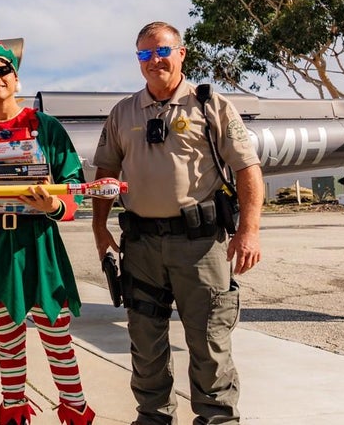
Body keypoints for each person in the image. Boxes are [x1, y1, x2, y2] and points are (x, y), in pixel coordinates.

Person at [91, 21, 262, 425]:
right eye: (145, 55)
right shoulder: (123, 112)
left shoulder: (210, 105)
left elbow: (247, 169)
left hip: (200, 246)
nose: (155, 61)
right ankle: (152, 418)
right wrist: (99, 227)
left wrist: (248, 230)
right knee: (145, 343)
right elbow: (105, 174)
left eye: (162, 51)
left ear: (181, 53)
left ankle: (217, 418)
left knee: (209, 343)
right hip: (142, 247)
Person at [0, 43, 96, 425]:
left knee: (57, 335)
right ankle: (13, 415)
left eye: (3, 71)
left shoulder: (46, 127)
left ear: (15, 77)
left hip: (38, 241)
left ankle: (76, 413)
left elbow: (73, 184)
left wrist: (54, 206)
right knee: (8, 340)